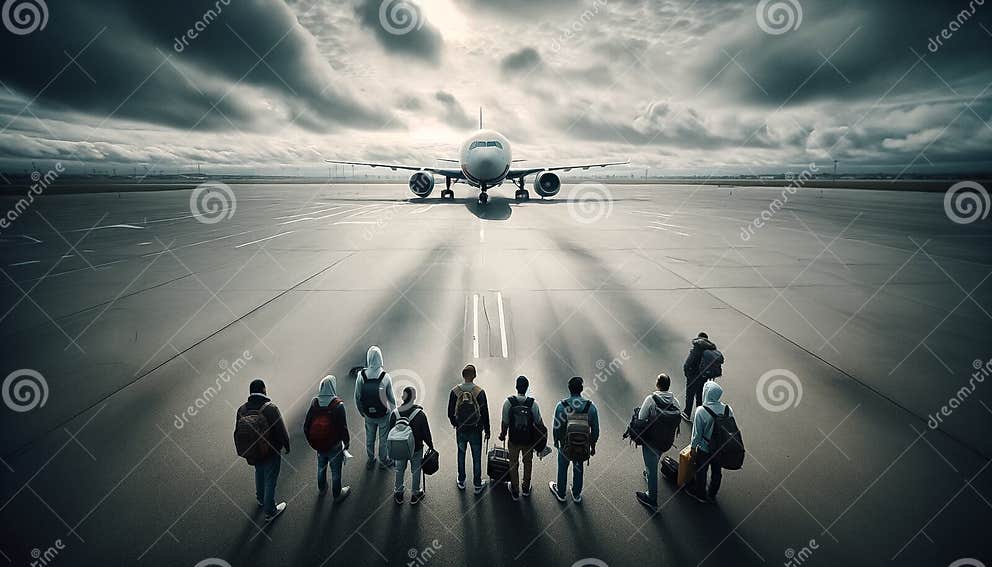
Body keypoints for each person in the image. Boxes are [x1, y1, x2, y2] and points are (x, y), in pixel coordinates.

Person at [235, 379, 291, 521]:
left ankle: (260, 499)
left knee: (259, 472)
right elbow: (281, 430)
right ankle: (270, 511)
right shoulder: (270, 408)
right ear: (264, 390)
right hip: (271, 451)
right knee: (270, 478)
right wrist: (287, 445)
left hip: (253, 451)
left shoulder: (241, 410)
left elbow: (238, 431)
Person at [635, 373, 681, 511]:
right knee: (655, 457)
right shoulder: (676, 402)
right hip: (666, 440)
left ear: (657, 384)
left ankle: (651, 499)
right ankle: (649, 471)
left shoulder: (651, 399)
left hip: (651, 440)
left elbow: (641, 419)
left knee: (651, 469)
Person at [550, 376, 599, 503]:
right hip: (582, 445)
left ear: (569, 389)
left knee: (562, 467)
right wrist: (592, 446)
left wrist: (557, 441)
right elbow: (595, 431)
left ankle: (561, 493)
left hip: (565, 444)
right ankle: (576, 494)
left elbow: (556, 427)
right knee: (578, 466)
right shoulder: (591, 407)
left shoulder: (561, 406)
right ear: (582, 389)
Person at [303, 375, 351, 502]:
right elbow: (343, 428)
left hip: (319, 445)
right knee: (335, 472)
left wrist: (312, 441)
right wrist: (346, 443)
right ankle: (337, 495)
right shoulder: (338, 405)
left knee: (321, 467)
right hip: (334, 445)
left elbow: (306, 426)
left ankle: (322, 489)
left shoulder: (314, 403)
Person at [498, 375, 544, 500]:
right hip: (528, 440)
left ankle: (515, 489)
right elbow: (539, 423)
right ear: (527, 388)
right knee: (527, 462)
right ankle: (526, 487)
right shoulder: (533, 404)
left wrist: (502, 435)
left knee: (513, 463)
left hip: (513, 439)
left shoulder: (509, 403)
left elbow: (505, 422)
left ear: (516, 387)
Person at [447, 364, 491, 493]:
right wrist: (487, 430)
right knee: (476, 457)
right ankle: (477, 484)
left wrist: (456, 424)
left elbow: (450, 412)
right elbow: (485, 413)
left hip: (461, 430)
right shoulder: (479, 392)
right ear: (474, 375)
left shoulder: (455, 391)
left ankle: (461, 480)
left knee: (461, 454)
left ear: (463, 375)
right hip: (476, 430)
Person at [388, 386, 434, 505]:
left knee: (399, 469)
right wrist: (431, 446)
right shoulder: (420, 414)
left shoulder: (395, 413)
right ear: (414, 397)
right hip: (416, 448)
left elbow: (390, 432)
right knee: (416, 470)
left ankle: (399, 493)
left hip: (400, 448)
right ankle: (415, 493)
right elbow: (426, 433)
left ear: (403, 397)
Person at [355, 345, 396, 470]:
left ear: (368, 358)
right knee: (383, 439)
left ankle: (371, 459)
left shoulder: (361, 376)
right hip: (383, 414)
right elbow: (391, 398)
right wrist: (394, 413)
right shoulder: (385, 376)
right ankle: (384, 460)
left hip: (368, 414)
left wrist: (362, 412)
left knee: (370, 438)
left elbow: (357, 397)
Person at [688, 381, 730, 503]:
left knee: (701, 470)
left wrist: (693, 447)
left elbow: (697, 434)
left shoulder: (701, 411)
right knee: (717, 471)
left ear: (706, 393)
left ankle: (700, 494)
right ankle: (712, 493)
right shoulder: (727, 409)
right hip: (720, 447)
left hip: (705, 447)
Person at [681, 332, 723, 421]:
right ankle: (699, 415)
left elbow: (688, 363)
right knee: (700, 395)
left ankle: (686, 413)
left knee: (690, 395)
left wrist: (687, 373)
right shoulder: (711, 349)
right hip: (704, 376)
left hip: (693, 376)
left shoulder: (698, 347)